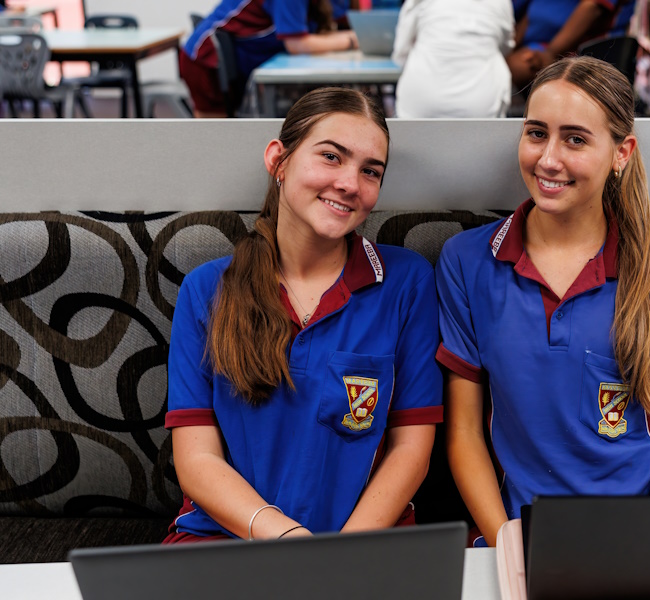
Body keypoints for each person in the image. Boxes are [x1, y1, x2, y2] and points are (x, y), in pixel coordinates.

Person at [435, 57, 650, 547]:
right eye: (535, 133)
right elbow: (464, 434)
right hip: (524, 534)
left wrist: (645, 547)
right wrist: (506, 541)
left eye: (575, 139)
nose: (548, 159)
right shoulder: (467, 261)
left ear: (621, 152)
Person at [163, 88, 443, 543]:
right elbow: (197, 461)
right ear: (279, 160)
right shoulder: (206, 289)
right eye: (332, 157)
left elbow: (411, 450)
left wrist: (337, 559)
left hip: (362, 544)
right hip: (229, 538)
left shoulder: (407, 282)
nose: (350, 183)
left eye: (370, 171)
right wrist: (289, 541)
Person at [181, 1, 362, 118]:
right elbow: (297, 44)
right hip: (205, 61)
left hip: (241, 61)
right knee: (215, 140)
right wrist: (355, 39)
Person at [391, 0, 515, 118]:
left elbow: (401, 52)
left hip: (418, 103)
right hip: (483, 105)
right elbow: (506, 46)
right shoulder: (501, 2)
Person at [506, 0, 635, 88]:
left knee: (507, 68)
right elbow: (533, 11)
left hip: (568, 50)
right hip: (531, 42)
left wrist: (550, 53)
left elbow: (593, 7)